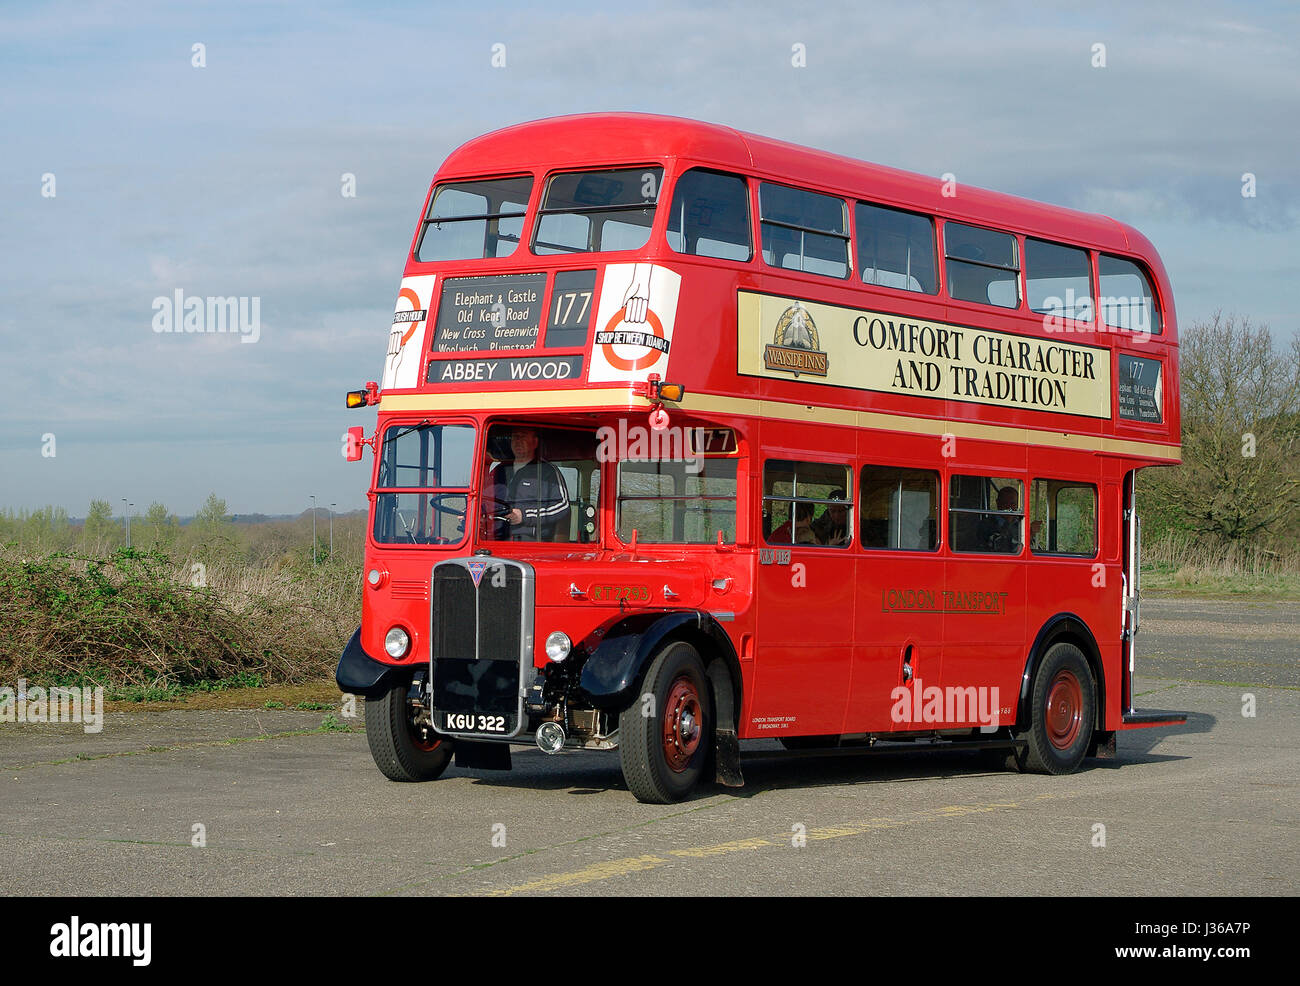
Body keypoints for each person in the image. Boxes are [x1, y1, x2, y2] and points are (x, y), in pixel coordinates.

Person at [501, 427, 569, 541]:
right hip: (496, 540)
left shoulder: (548, 471)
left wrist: (524, 516)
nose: (518, 441)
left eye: (522, 436)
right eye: (514, 437)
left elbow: (563, 505)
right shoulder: (500, 470)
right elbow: (486, 500)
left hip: (532, 543)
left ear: (535, 442)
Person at [978, 486, 1023, 552]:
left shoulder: (1020, 523)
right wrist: (1008, 523)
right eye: (1005, 503)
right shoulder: (986, 525)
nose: (1009, 507)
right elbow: (1000, 548)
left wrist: (1030, 533)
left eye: (1012, 504)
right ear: (997, 502)